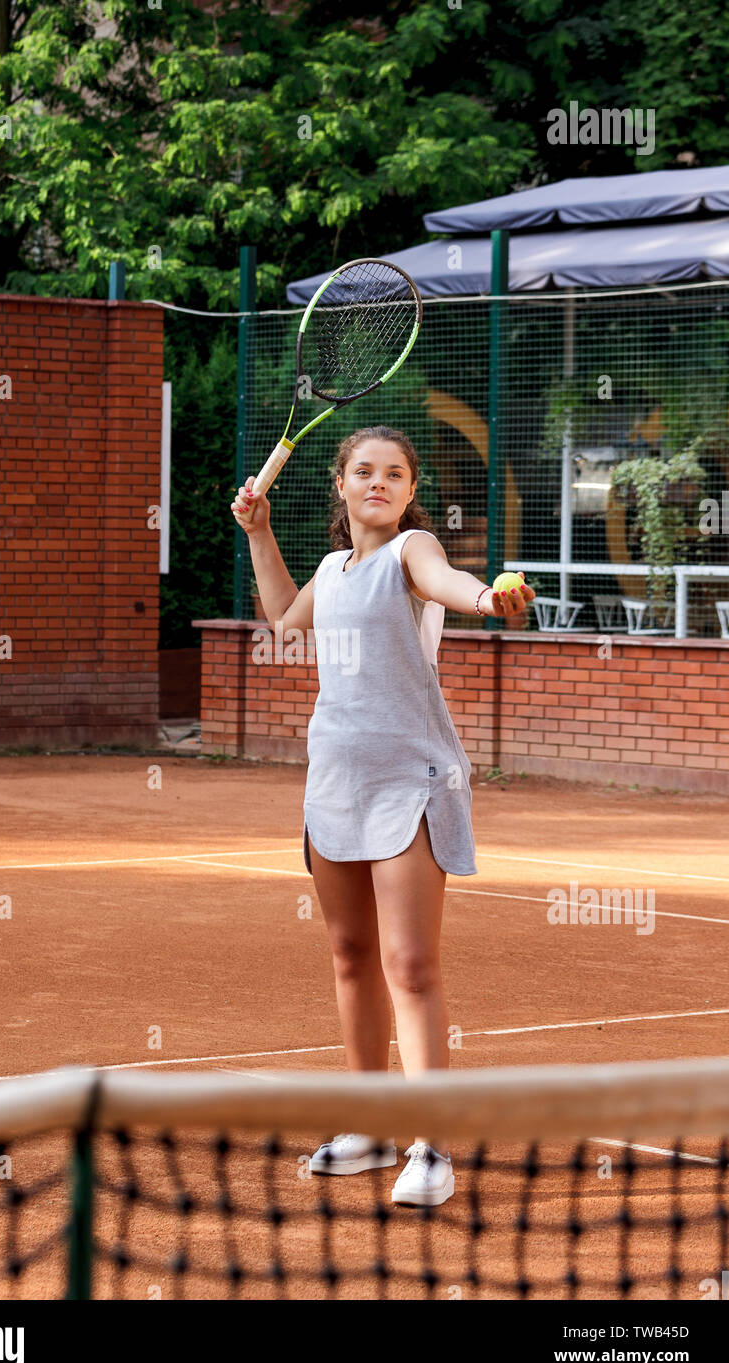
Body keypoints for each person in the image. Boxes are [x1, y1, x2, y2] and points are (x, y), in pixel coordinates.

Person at [231, 425, 533, 1206]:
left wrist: (489, 597)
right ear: (340, 484)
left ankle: (429, 1146)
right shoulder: (331, 571)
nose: (378, 482)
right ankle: (369, 1126)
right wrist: (260, 533)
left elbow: (450, 582)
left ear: (407, 491)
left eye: (393, 474)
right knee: (350, 956)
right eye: (363, 471)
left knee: (411, 964)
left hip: (411, 780)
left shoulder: (411, 552)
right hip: (335, 779)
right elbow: (284, 622)